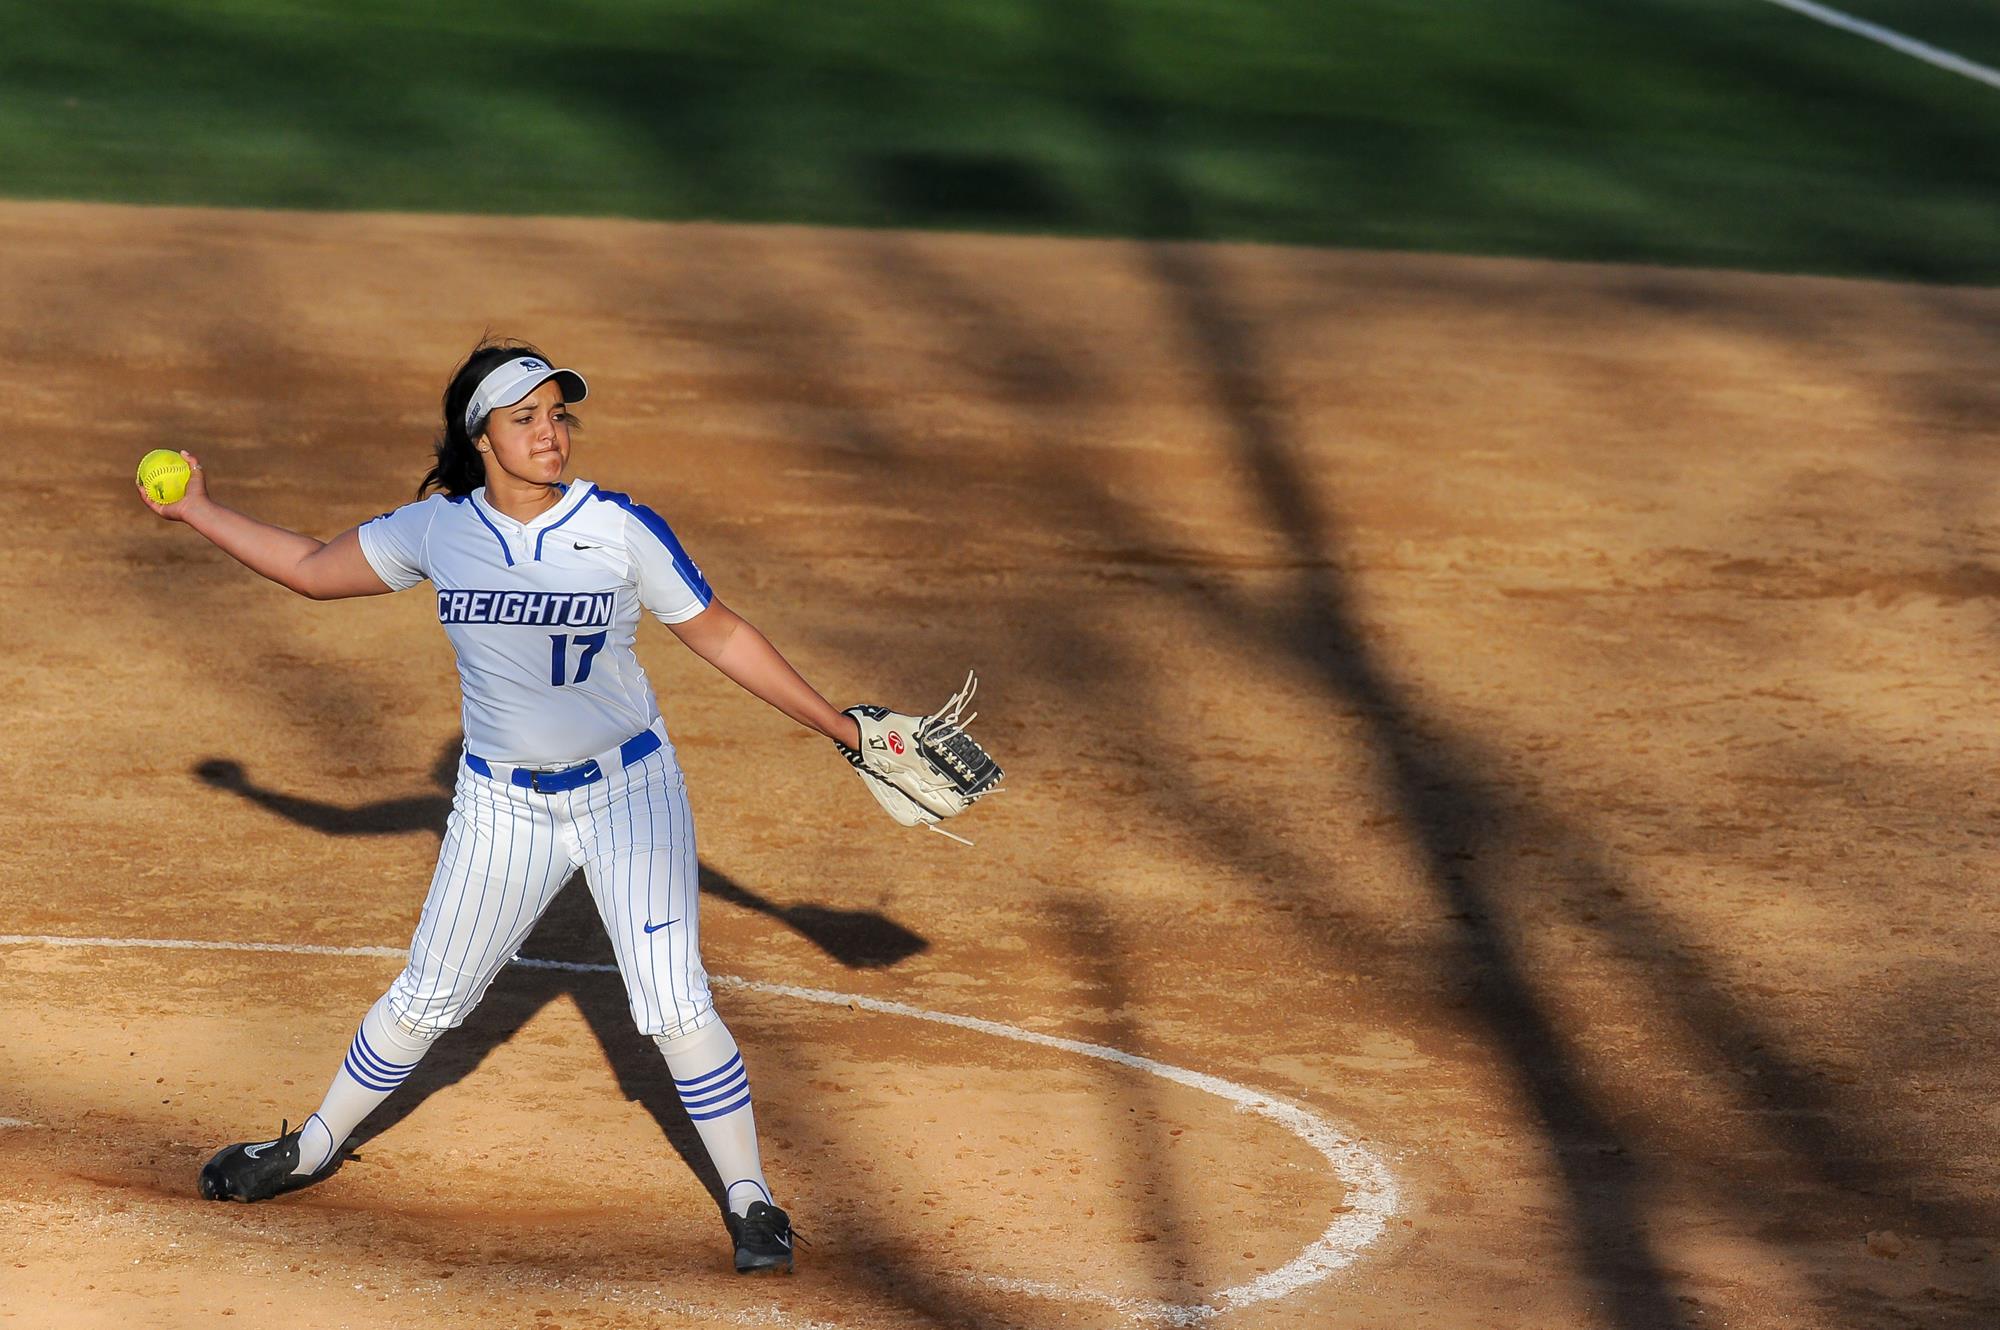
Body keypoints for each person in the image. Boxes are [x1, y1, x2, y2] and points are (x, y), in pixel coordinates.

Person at [135, 338, 864, 1275]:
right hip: (500, 808)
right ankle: (312, 1145)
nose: (550, 435)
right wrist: (197, 509)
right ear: (482, 437)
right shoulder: (439, 531)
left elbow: (717, 630)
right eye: (526, 419)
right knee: (427, 996)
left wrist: (838, 726)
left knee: (677, 1005)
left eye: (559, 415)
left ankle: (752, 1199)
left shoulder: (620, 528)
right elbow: (314, 569)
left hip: (629, 793)